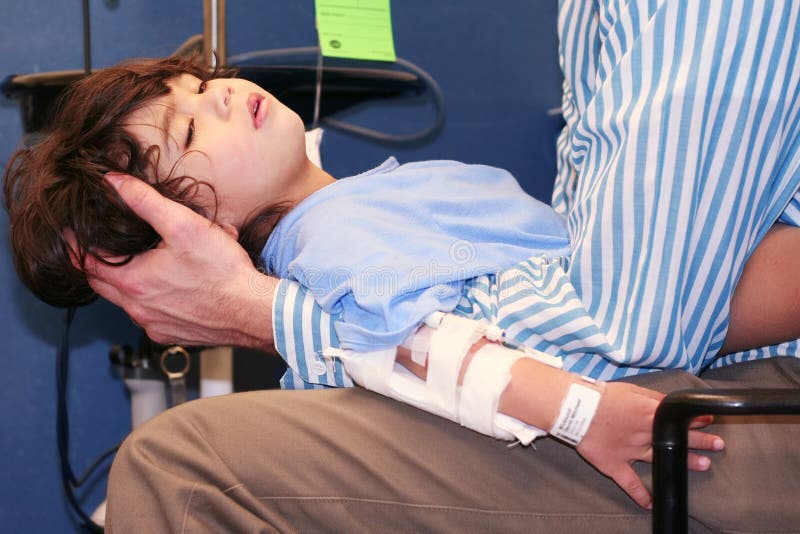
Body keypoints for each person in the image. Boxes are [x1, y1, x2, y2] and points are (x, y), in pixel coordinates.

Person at [6, 1, 800, 531]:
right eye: (185, 130)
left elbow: (622, 311)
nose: (219, 95)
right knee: (173, 465)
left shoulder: (367, 205)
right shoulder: (331, 239)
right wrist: (577, 414)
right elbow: (426, 351)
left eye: (203, 84)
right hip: (589, 408)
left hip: (704, 385)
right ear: (189, 224)